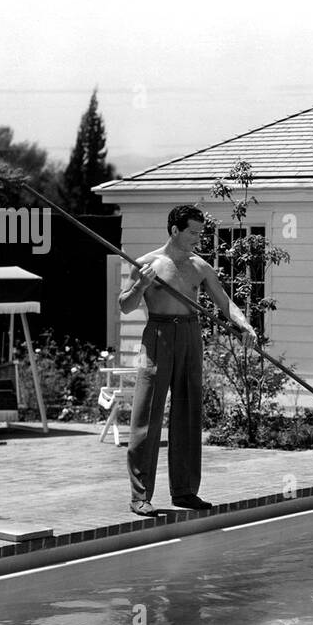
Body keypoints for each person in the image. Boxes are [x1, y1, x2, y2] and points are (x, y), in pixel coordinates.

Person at [120, 204, 256, 516]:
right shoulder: (146, 264)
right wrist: (141, 284)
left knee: (188, 413)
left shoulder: (200, 267)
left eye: (200, 232)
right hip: (159, 335)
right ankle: (140, 496)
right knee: (147, 416)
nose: (198, 238)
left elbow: (225, 302)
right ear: (174, 230)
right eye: (193, 232)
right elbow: (125, 306)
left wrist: (244, 324)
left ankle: (183, 491)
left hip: (191, 335)